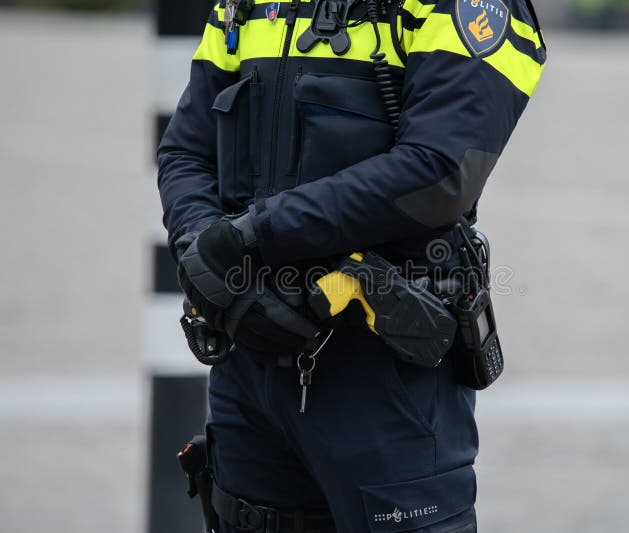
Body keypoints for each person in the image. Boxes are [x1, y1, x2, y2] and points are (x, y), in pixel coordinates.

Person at [158, 0, 546, 529]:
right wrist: (207, 258)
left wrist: (248, 238)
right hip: (246, 355)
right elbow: (185, 151)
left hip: (382, 369)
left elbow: (442, 171)